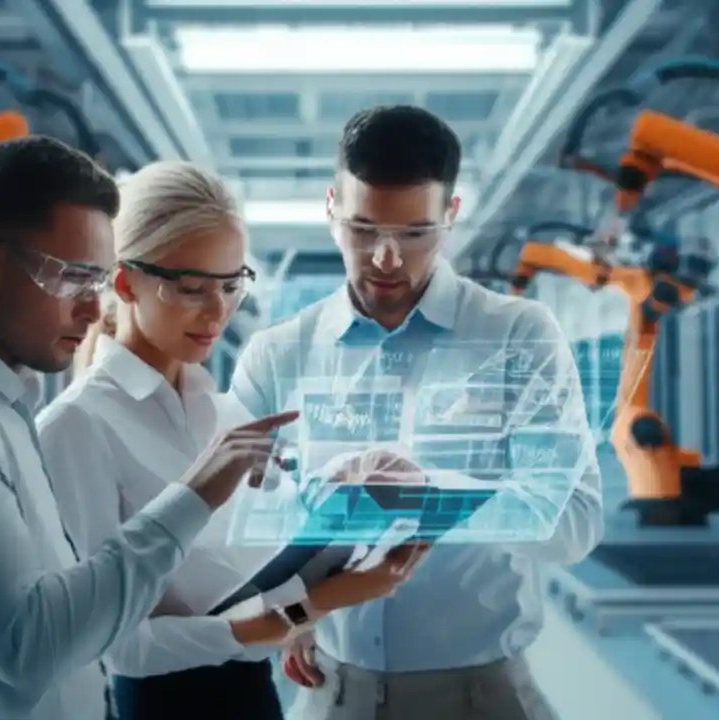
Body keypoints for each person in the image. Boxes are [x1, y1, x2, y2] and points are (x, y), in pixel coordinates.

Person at [0, 136, 302, 720]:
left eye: (97, 280)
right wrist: (193, 497)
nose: (91, 309)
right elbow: (32, 644)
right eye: (70, 279)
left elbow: (76, 623)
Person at [228, 106, 605, 720]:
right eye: (363, 229)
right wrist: (300, 605)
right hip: (331, 694)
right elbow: (237, 533)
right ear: (331, 209)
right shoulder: (278, 357)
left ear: (451, 217)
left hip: (482, 700)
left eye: (414, 234)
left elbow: (577, 524)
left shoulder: (517, 339)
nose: (385, 259)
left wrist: (434, 494)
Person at [36, 160, 429, 720]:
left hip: (253, 697)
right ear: (124, 282)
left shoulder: (225, 415)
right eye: (193, 288)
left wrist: (345, 488)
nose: (217, 311)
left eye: (231, 285)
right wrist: (308, 608)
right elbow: (120, 649)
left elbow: (254, 564)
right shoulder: (76, 428)